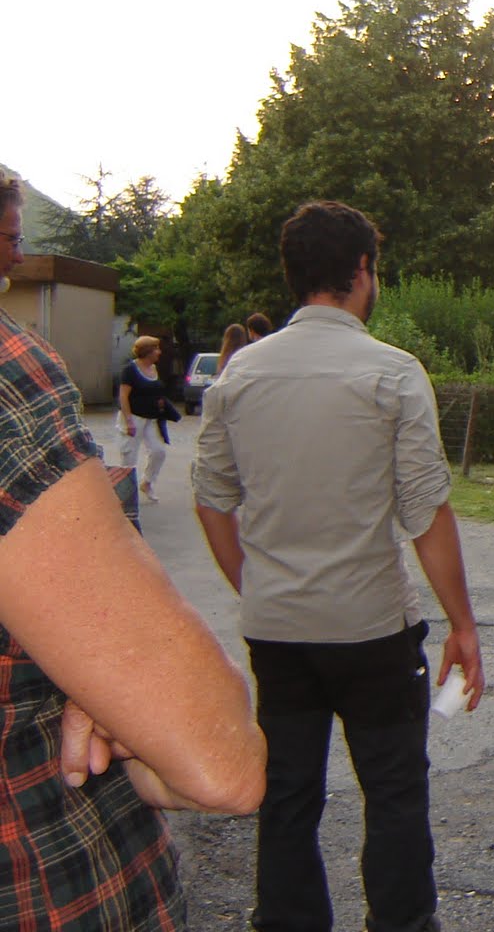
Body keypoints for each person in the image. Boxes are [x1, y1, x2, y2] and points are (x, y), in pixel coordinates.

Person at [192, 200, 486, 932]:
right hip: (372, 630)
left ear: (294, 275)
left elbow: (211, 502)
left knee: (287, 793)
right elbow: (425, 511)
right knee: (393, 792)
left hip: (279, 631)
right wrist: (463, 625)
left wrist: (254, 586)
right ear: (363, 272)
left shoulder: (237, 376)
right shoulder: (391, 373)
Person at [0, 173, 265, 927]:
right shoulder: (8, 378)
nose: (15, 266)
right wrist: (114, 699)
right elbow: (223, 766)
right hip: (46, 878)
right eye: (12, 241)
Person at [117, 335, 174, 505]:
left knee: (159, 451)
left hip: (151, 419)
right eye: (156, 348)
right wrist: (128, 421)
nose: (159, 352)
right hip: (133, 417)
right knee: (129, 458)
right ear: (147, 351)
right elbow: (123, 396)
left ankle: (147, 483)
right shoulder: (130, 370)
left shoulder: (154, 369)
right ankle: (126, 494)